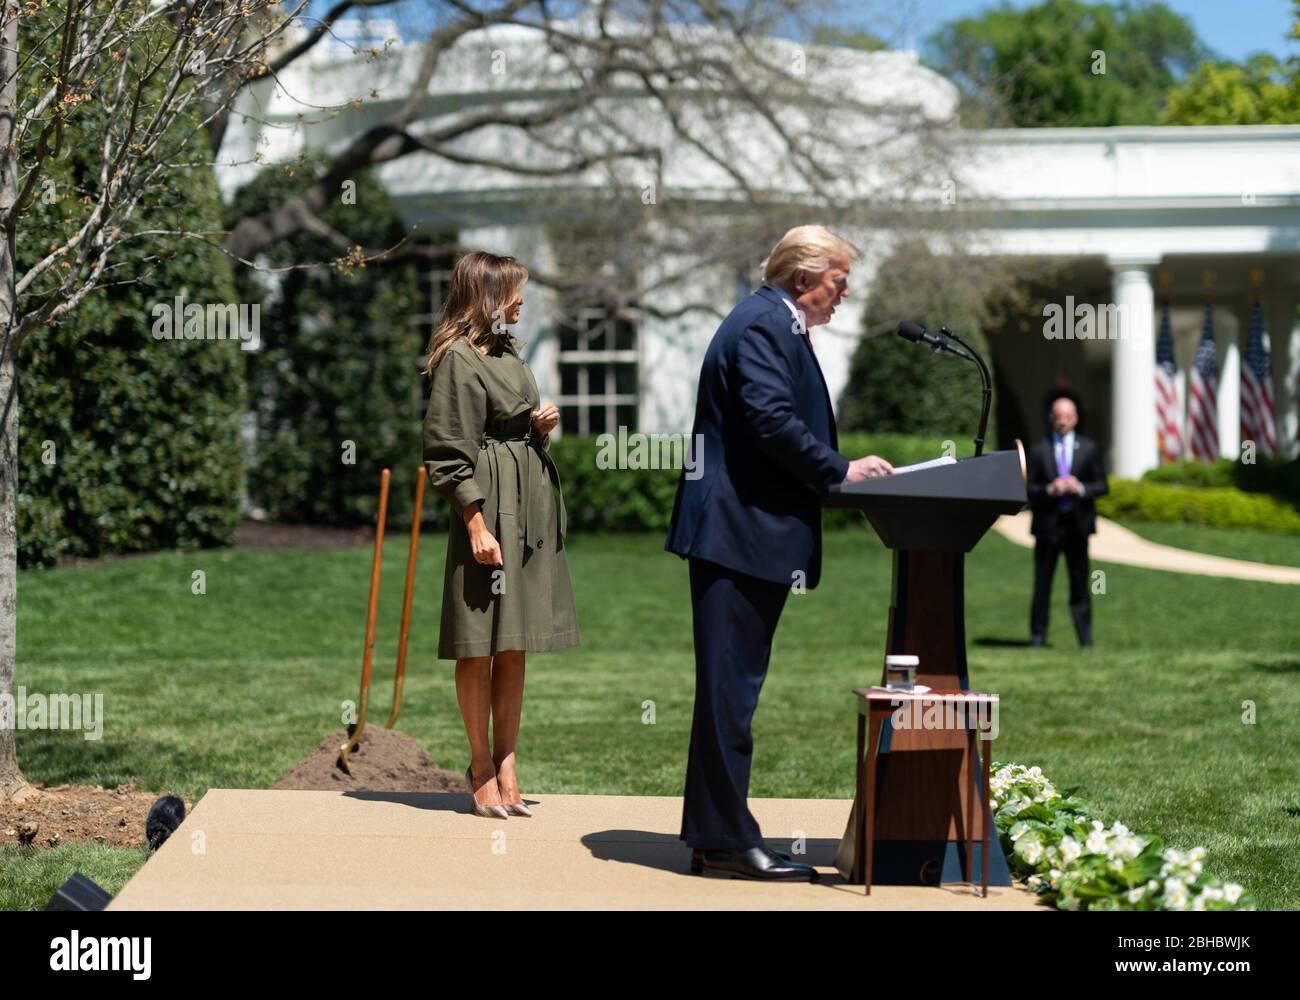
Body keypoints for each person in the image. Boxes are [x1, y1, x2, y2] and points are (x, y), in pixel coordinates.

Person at [665, 224, 894, 881]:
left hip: (743, 535)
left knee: (728, 692)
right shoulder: (765, 324)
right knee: (729, 694)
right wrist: (840, 470)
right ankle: (728, 840)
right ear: (803, 278)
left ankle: (715, 834)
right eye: (838, 284)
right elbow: (770, 419)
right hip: (736, 535)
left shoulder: (771, 320)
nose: (843, 295)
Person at [421, 250, 578, 820]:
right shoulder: (457, 360)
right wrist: (475, 526)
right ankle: (481, 764)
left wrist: (536, 428)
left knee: (514, 640)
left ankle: (510, 763)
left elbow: (506, 425)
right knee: (478, 641)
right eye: (513, 292)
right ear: (487, 297)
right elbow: (447, 452)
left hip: (527, 504)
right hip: (488, 511)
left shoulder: (509, 352)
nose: (520, 301)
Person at [1026, 391, 1109, 648]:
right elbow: (1028, 489)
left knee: (1080, 585)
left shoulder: (1089, 448)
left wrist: (1080, 487)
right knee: (1042, 585)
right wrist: (1049, 490)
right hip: (1047, 527)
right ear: (1051, 418)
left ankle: (1085, 640)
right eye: (1058, 416)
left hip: (1077, 527)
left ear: (1075, 419)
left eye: (1068, 416)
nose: (1063, 421)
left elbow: (1102, 485)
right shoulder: (1038, 450)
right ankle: (1038, 638)